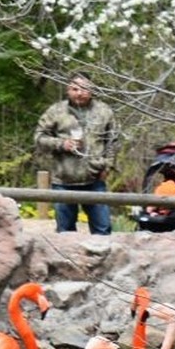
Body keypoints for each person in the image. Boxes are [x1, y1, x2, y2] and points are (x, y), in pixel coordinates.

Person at [33, 74, 118, 234]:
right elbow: (39, 137)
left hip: (94, 179)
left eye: (84, 89)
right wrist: (61, 144)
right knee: (65, 233)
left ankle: (99, 259)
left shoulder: (104, 111)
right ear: (68, 90)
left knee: (103, 229)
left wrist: (108, 165)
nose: (79, 93)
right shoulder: (56, 111)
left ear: (92, 90)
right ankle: (68, 260)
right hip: (64, 180)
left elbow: (112, 141)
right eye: (75, 89)